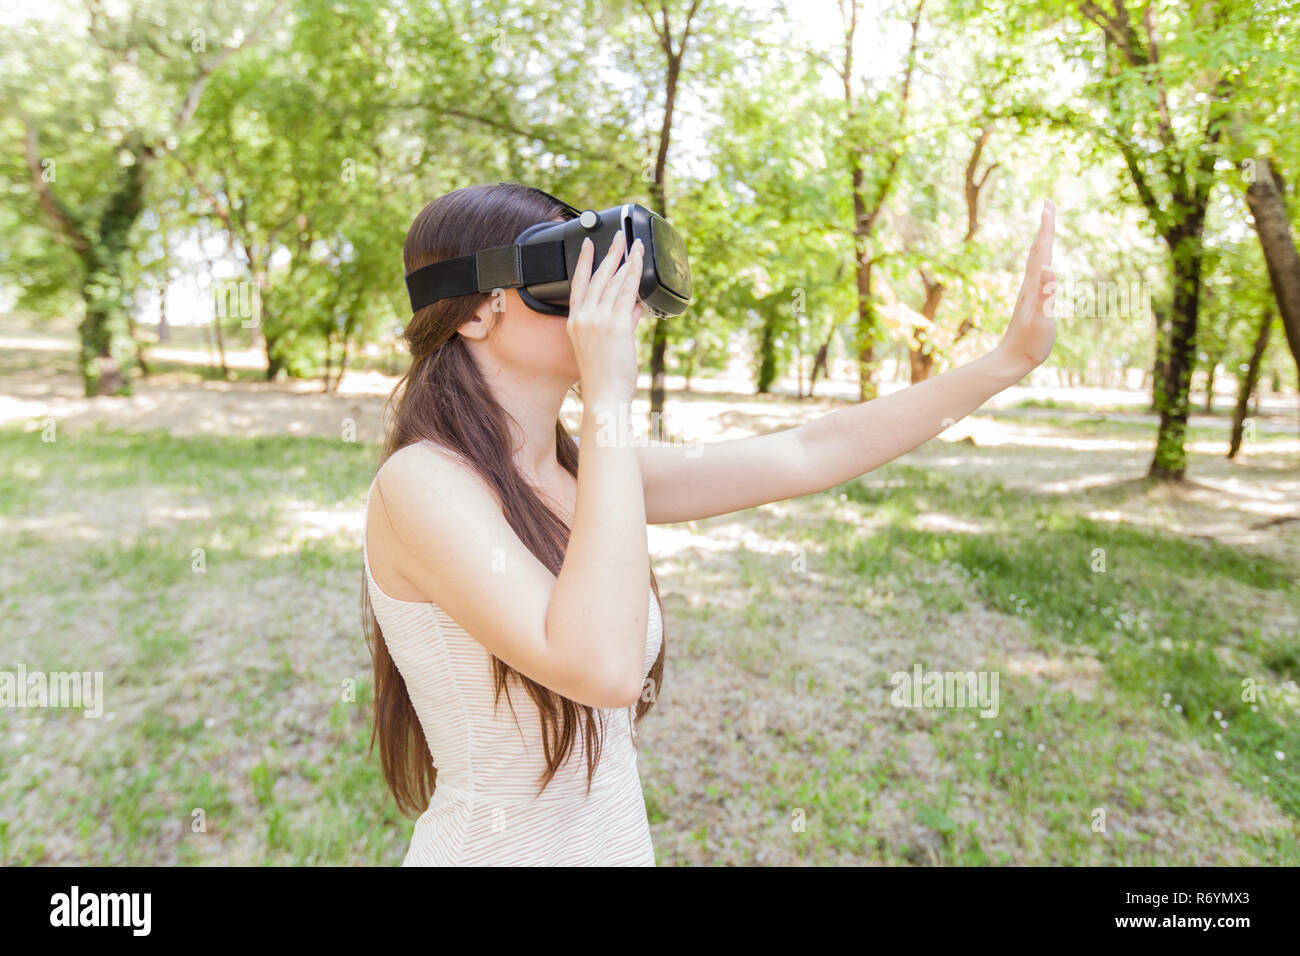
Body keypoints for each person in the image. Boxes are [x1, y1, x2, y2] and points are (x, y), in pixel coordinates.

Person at [361, 181, 1057, 865]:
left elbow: (808, 452)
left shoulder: (582, 473)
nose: (601, 296)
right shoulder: (422, 483)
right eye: (565, 270)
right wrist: (609, 394)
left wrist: (1006, 362)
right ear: (475, 313)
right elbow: (601, 669)